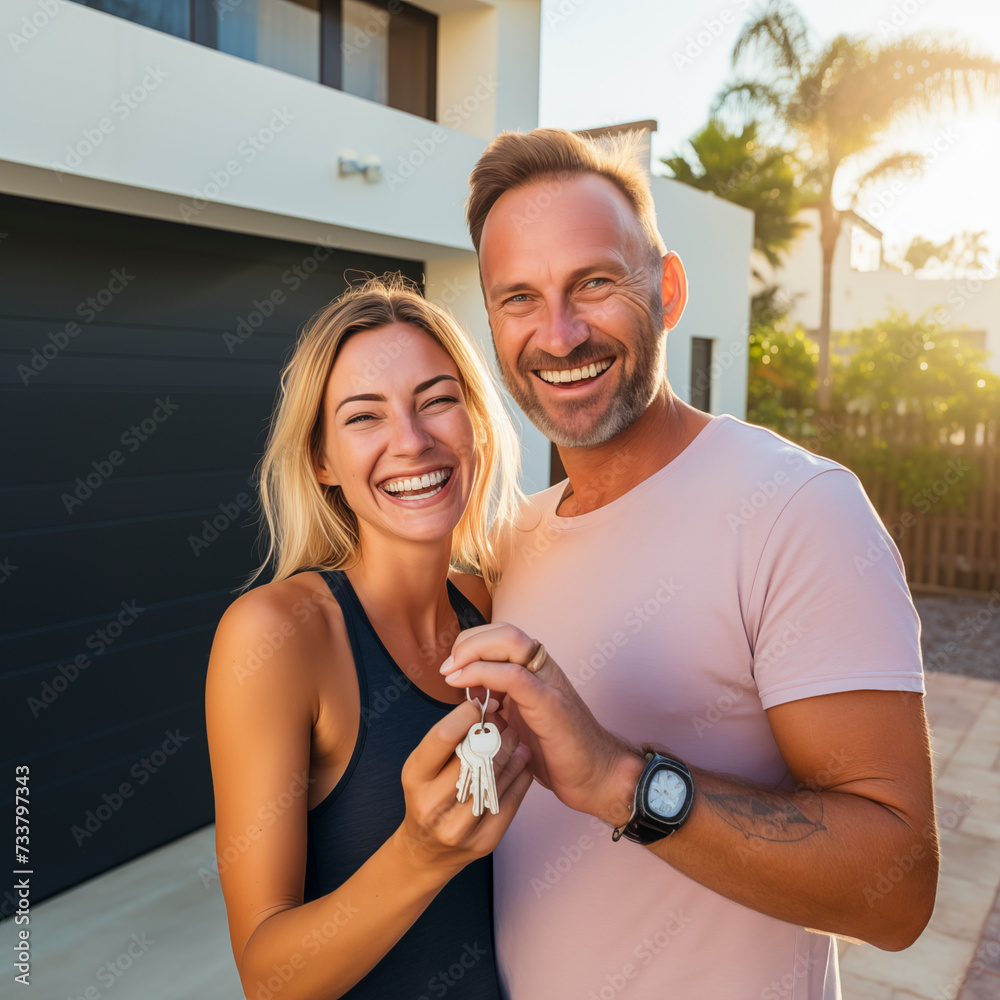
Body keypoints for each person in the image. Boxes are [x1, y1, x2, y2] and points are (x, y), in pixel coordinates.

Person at [438, 129, 938, 999]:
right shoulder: (508, 543)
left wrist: (619, 781)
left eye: (594, 283)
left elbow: (896, 893)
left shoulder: (796, 509)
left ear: (666, 290)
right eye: (519, 298)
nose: (559, 334)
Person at [204, 275, 533, 1000]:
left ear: (476, 422)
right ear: (321, 460)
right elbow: (266, 978)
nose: (411, 442)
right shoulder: (278, 635)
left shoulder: (492, 604)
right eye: (364, 417)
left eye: (437, 401)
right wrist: (421, 853)